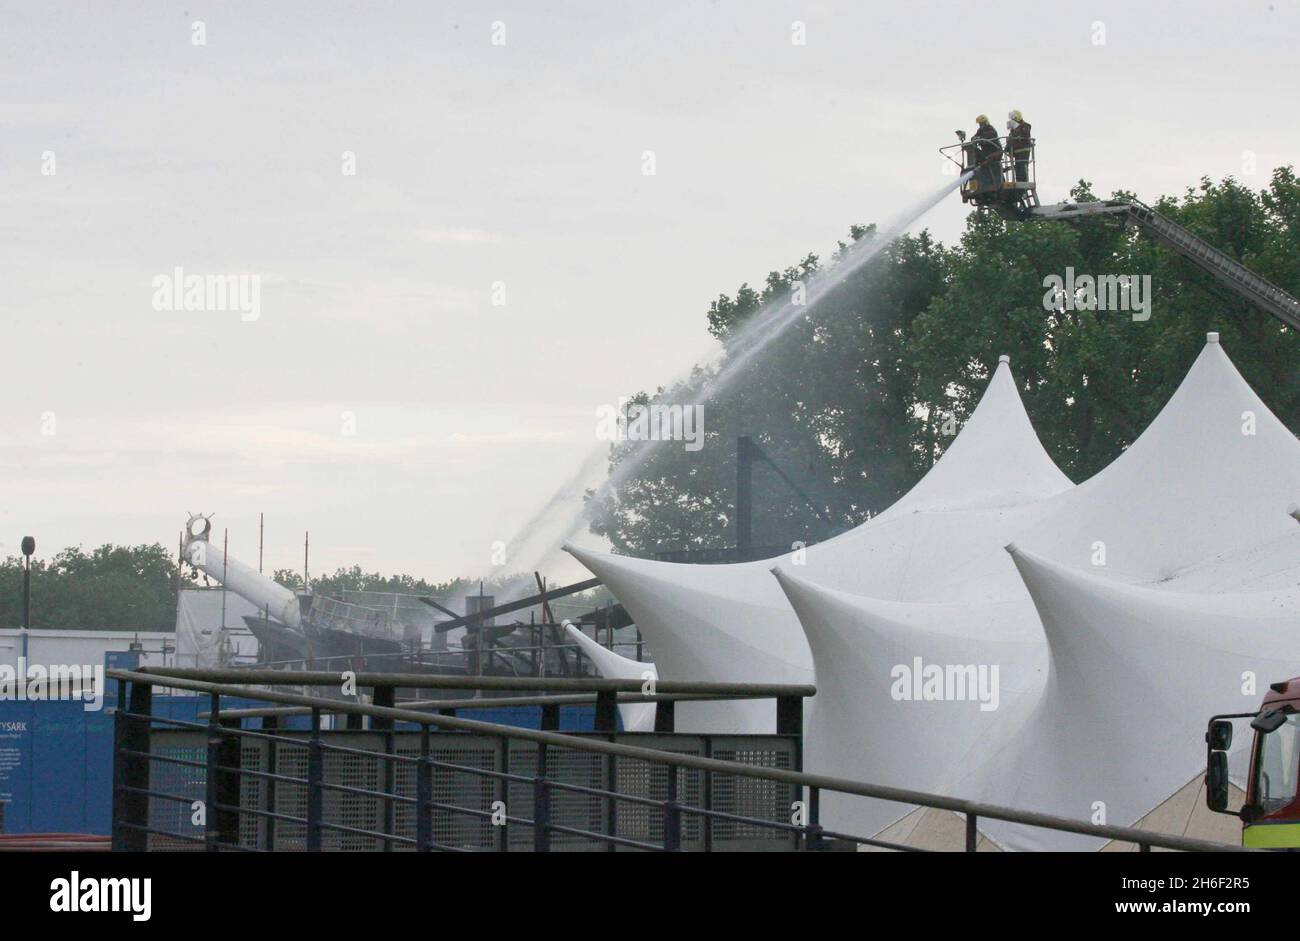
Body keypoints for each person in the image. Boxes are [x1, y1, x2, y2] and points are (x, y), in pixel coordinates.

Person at [968, 114, 1002, 192]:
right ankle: (984, 180)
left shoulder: (991, 129)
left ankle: (994, 182)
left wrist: (980, 138)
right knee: (978, 155)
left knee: (990, 165)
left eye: (981, 124)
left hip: (995, 152)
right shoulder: (980, 130)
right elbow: (974, 137)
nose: (980, 125)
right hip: (986, 153)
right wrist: (975, 138)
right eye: (980, 124)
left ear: (985, 122)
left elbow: (989, 135)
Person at [1006, 110, 1033, 183]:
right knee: (1018, 167)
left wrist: (1016, 129)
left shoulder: (1025, 126)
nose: (1012, 121)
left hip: (1023, 150)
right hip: (1016, 151)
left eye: (1013, 119)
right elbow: (1010, 138)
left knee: (1022, 167)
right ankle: (1019, 180)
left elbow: (1026, 135)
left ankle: (1024, 181)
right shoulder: (1014, 129)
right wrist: (1007, 148)